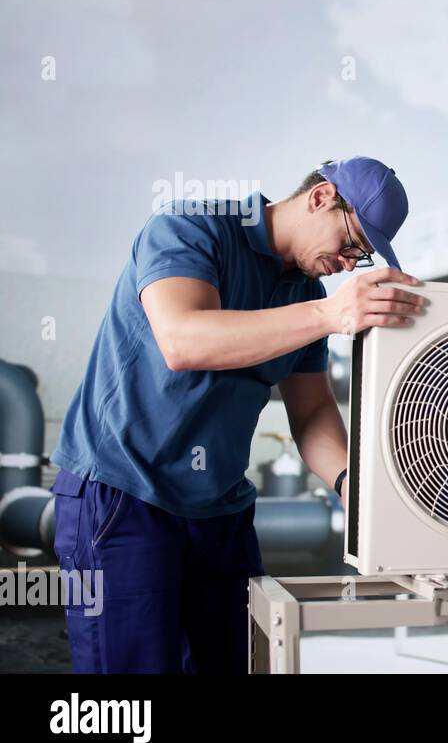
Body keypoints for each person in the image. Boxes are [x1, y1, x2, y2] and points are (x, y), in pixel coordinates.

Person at [50, 157, 427, 672]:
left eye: (360, 258)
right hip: (124, 496)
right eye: (351, 244)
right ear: (320, 198)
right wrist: (329, 315)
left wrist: (353, 489)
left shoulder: (303, 293)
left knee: (237, 662)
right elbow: (184, 339)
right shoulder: (189, 228)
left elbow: (313, 413)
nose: (348, 264)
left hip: (220, 512)